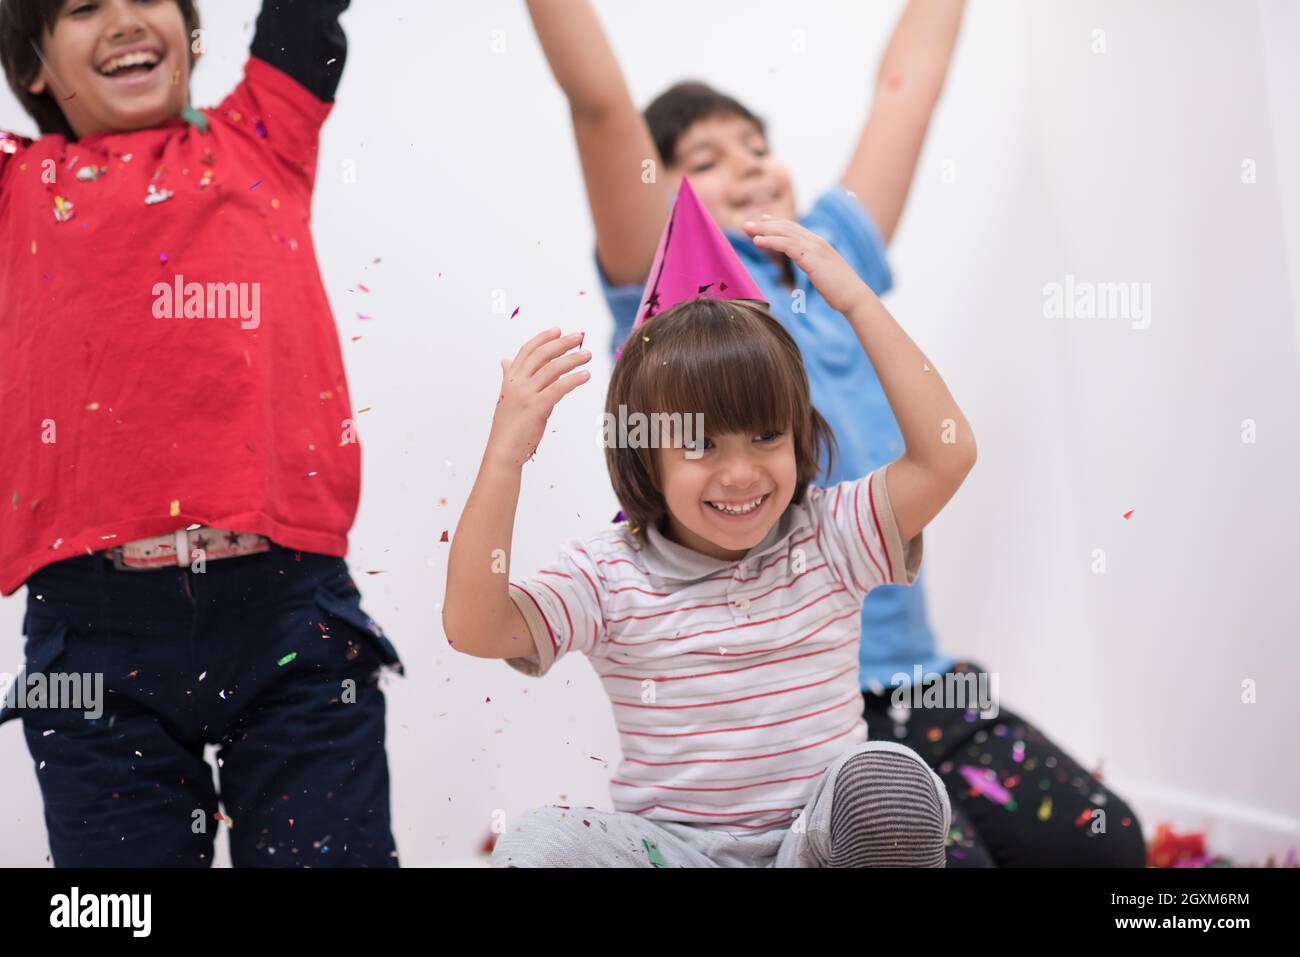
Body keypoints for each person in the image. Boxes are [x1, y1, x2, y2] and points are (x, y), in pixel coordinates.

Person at [523, 0, 1146, 866]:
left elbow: (907, 92)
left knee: (1108, 846)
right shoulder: (665, 304)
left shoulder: (830, 258)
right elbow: (599, 106)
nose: (749, 165)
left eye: (755, 146)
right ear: (659, 195)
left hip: (924, 682)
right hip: (807, 732)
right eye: (706, 159)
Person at [444, 180, 977, 867]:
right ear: (646, 454)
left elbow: (948, 452)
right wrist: (505, 456)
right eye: (700, 445)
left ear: (797, 435)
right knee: (540, 841)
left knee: (889, 780)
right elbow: (475, 625)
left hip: (812, 850)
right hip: (675, 854)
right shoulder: (609, 572)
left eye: (765, 436)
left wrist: (853, 301)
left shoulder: (831, 534)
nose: (740, 474)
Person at [0, 0, 401, 867]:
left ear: (191, 31)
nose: (124, 21)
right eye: (81, 8)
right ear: (32, 65)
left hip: (292, 613)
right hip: (90, 641)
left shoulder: (265, 131)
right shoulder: (13, 188)